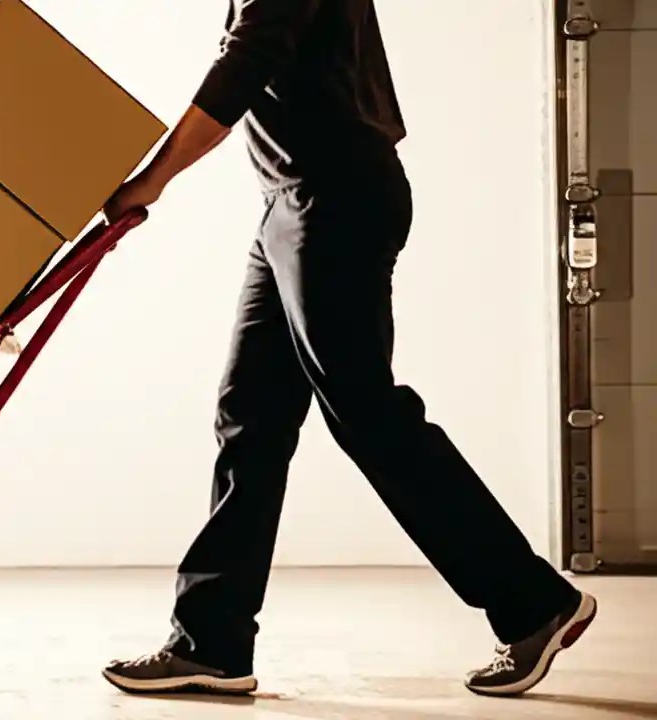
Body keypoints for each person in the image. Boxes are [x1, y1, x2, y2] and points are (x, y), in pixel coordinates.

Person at [99, 0, 597, 699]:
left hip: (334, 199)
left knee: (366, 412)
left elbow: (244, 65)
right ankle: (211, 641)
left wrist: (156, 176)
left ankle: (531, 600)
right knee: (251, 415)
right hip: (292, 202)